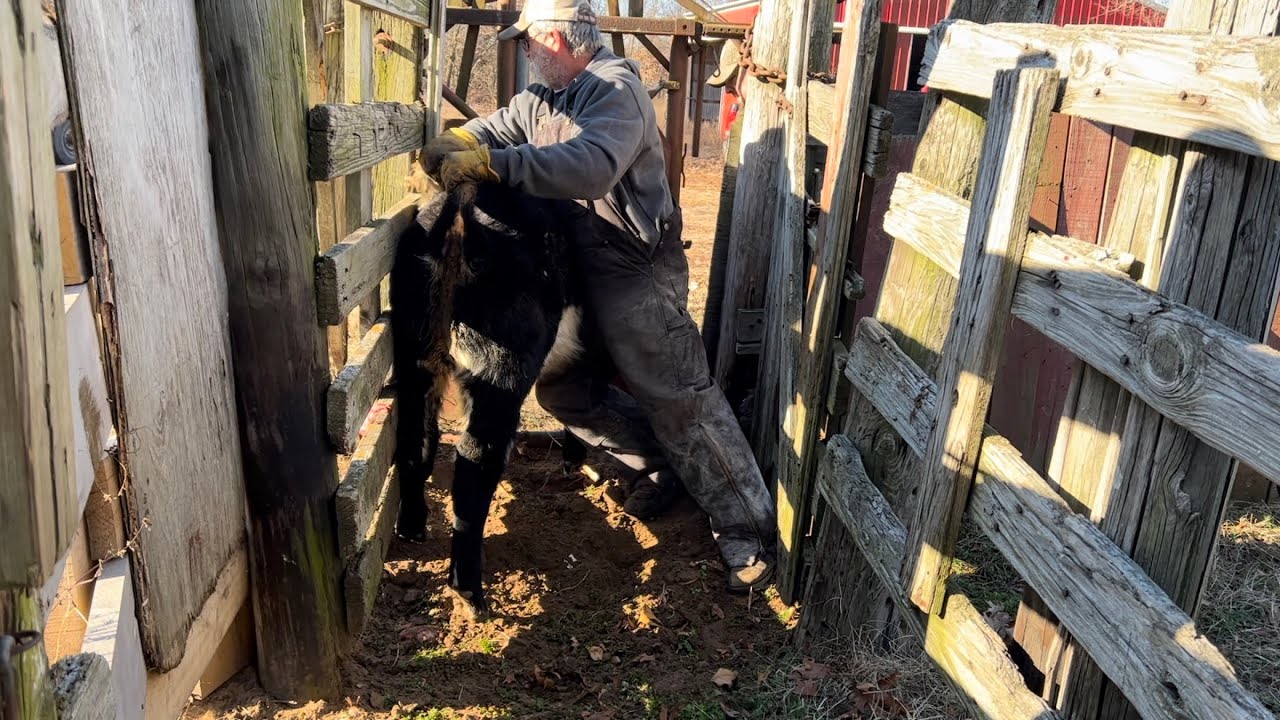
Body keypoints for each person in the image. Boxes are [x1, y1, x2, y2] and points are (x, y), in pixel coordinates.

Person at [414, 0, 776, 593]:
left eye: (528, 43)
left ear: (556, 39)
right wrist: (456, 140)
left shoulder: (615, 91)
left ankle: (747, 531)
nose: (525, 54)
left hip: (633, 268)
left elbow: (591, 166)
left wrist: (494, 164)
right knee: (565, 393)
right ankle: (660, 468)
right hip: (575, 269)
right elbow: (497, 126)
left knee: (677, 394)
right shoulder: (542, 98)